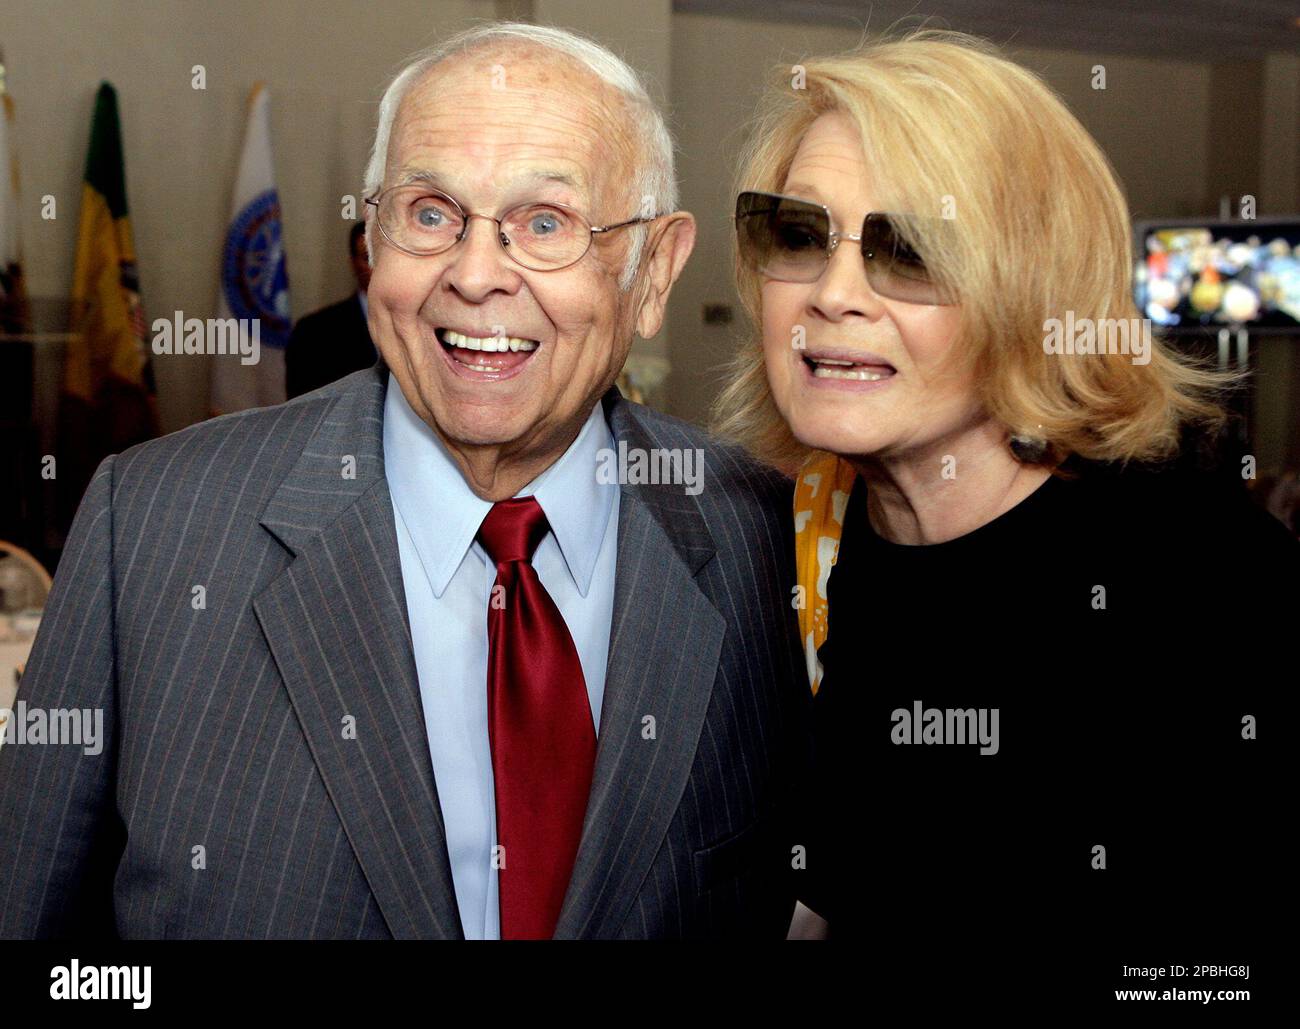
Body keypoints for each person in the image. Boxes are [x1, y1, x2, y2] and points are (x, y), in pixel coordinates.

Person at [0, 22, 812, 940]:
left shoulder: (756, 535)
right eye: (429, 213)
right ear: (373, 235)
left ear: (654, 271)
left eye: (545, 224)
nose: (472, 275)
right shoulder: (148, 528)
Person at [713, 29, 1298, 950]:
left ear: (1032, 292)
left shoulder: (1208, 585)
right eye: (798, 234)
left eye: (908, 249)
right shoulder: (826, 537)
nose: (834, 292)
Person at [284, 221, 378, 398]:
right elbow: (303, 408)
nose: (377, 266)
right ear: (352, 263)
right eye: (367, 257)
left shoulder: (423, 324)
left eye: (383, 257)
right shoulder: (313, 331)